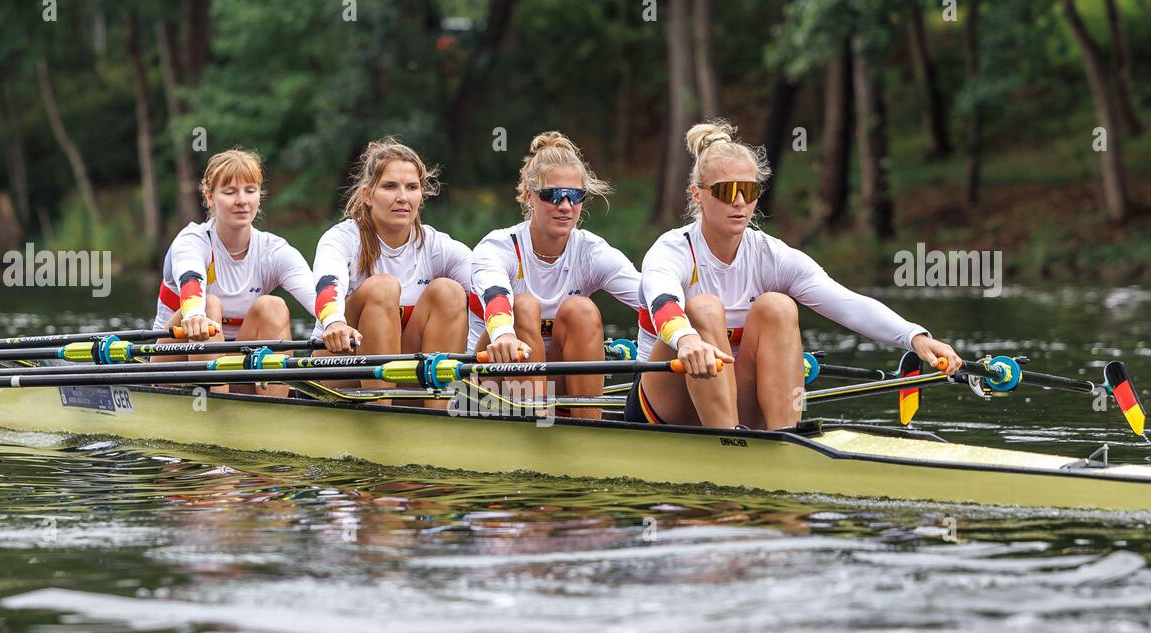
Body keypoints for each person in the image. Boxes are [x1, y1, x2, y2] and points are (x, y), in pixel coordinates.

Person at [630, 119, 963, 429]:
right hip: (663, 402)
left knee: (778, 306)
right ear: (697, 194)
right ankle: (728, 444)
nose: (741, 203)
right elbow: (662, 300)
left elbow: (845, 302)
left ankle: (784, 438)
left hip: (734, 396)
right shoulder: (673, 249)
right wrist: (686, 340)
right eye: (727, 191)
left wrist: (915, 337)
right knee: (703, 308)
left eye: (750, 191)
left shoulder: (770, 254)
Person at [153, 147, 359, 395]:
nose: (242, 200)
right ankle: (218, 407)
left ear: (259, 196)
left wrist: (334, 322)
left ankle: (275, 410)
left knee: (273, 306)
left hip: (237, 365)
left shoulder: (273, 250)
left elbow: (317, 296)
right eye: (230, 192)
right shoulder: (192, 240)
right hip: (171, 363)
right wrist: (194, 314)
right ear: (209, 197)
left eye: (250, 191)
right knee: (209, 305)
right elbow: (191, 278)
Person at [470, 132, 642, 420]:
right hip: (494, 381)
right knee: (523, 305)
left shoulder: (591, 251)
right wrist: (503, 334)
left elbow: (649, 296)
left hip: (555, 381)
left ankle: (586, 431)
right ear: (529, 196)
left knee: (582, 309)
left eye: (575, 196)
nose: (565, 205)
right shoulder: (499, 246)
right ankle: (538, 425)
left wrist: (694, 332)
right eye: (552, 195)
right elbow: (495, 293)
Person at [312, 138, 471, 405]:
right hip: (340, 366)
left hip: (404, 368)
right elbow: (328, 284)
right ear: (367, 195)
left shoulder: (438, 246)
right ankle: (380, 410)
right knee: (383, 287)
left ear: (421, 195)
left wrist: (506, 335)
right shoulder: (341, 239)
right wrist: (335, 323)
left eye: (412, 187)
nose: (402, 197)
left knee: (449, 292)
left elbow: (488, 292)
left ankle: (439, 415)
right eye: (390, 186)